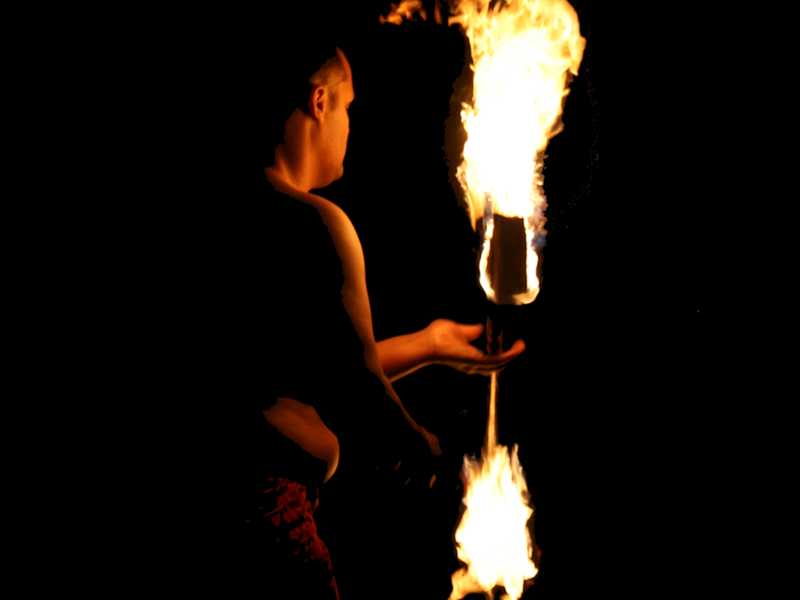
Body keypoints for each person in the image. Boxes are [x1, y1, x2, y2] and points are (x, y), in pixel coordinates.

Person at [245, 40, 525, 599]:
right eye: (348, 106)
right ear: (318, 101)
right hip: (267, 521)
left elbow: (327, 369)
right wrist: (426, 448)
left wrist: (430, 344)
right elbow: (358, 390)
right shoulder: (319, 224)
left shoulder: (255, 212)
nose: (350, 124)